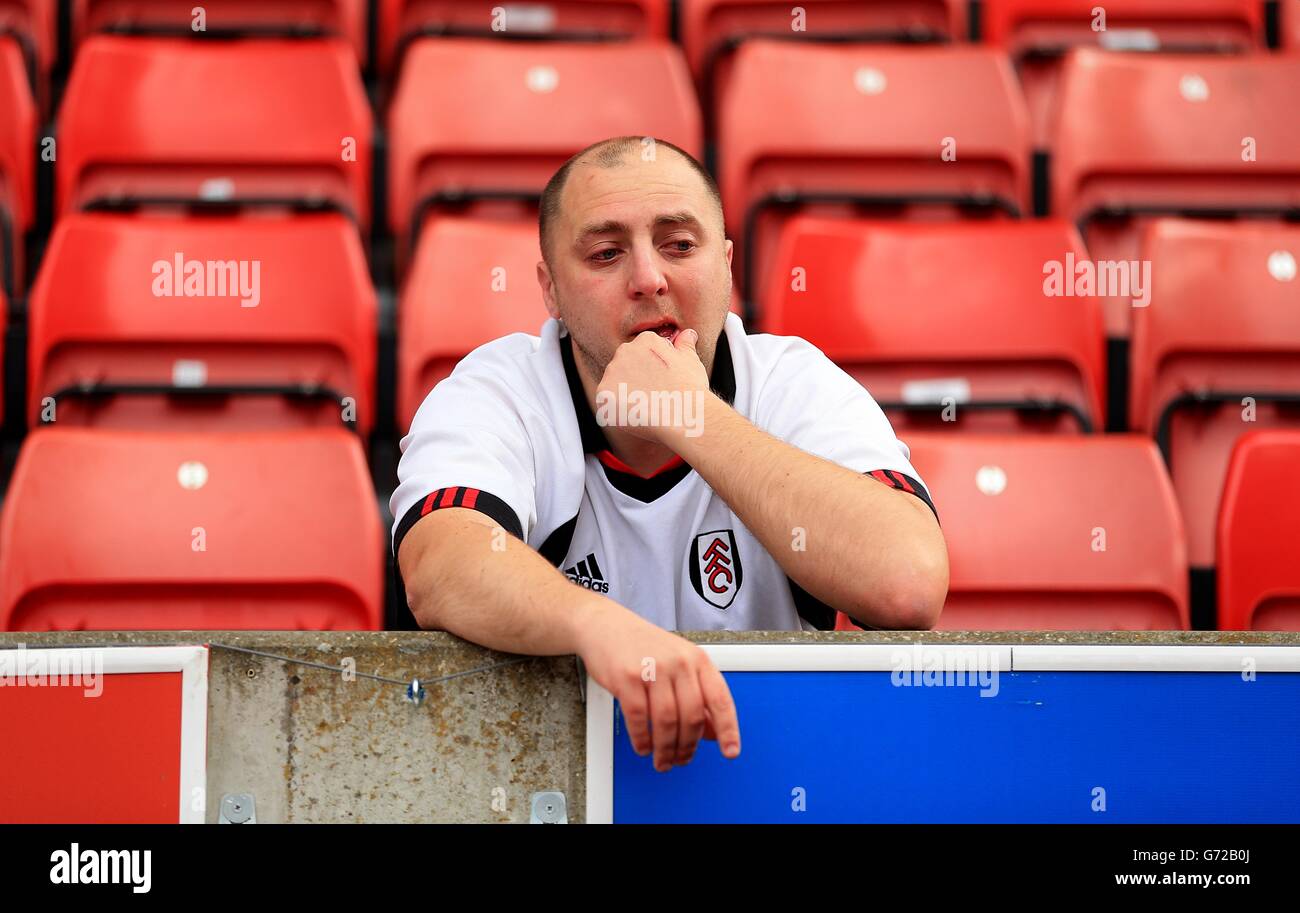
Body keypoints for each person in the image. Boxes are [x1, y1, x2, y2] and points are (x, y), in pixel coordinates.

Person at [392, 136, 948, 773]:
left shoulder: (795, 382)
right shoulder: (497, 391)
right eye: (606, 254)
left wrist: (691, 416)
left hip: (768, 779)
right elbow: (439, 564)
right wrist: (600, 627)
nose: (649, 279)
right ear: (550, 291)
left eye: (680, 246)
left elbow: (907, 582)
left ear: (728, 267)